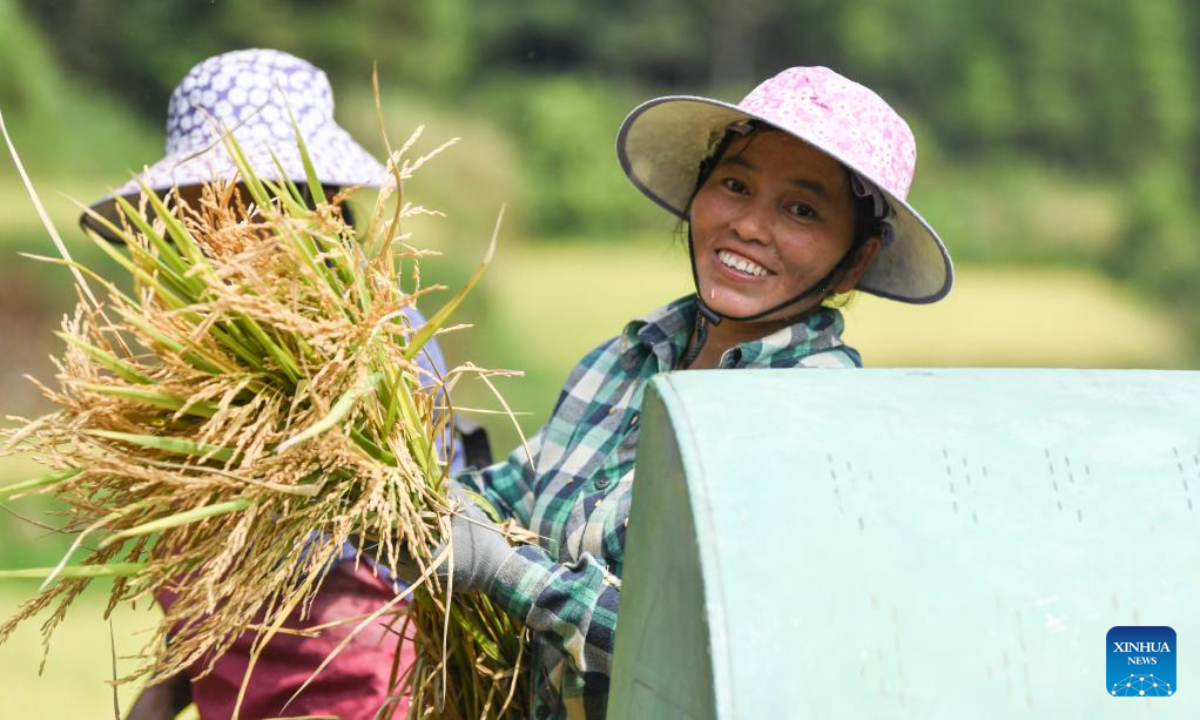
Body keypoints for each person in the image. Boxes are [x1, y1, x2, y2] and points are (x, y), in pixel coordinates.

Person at [402, 66, 954, 719]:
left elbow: (704, 649)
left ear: (855, 261)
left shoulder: (820, 422)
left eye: (801, 209)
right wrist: (430, 503)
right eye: (735, 185)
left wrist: (505, 573)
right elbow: (511, 490)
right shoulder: (622, 361)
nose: (750, 225)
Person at [80, 49, 478, 720]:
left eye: (227, 209)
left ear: (314, 207)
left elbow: (414, 561)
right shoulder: (205, 360)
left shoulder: (378, 345)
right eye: (190, 216)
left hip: (355, 680)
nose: (205, 238)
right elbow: (211, 588)